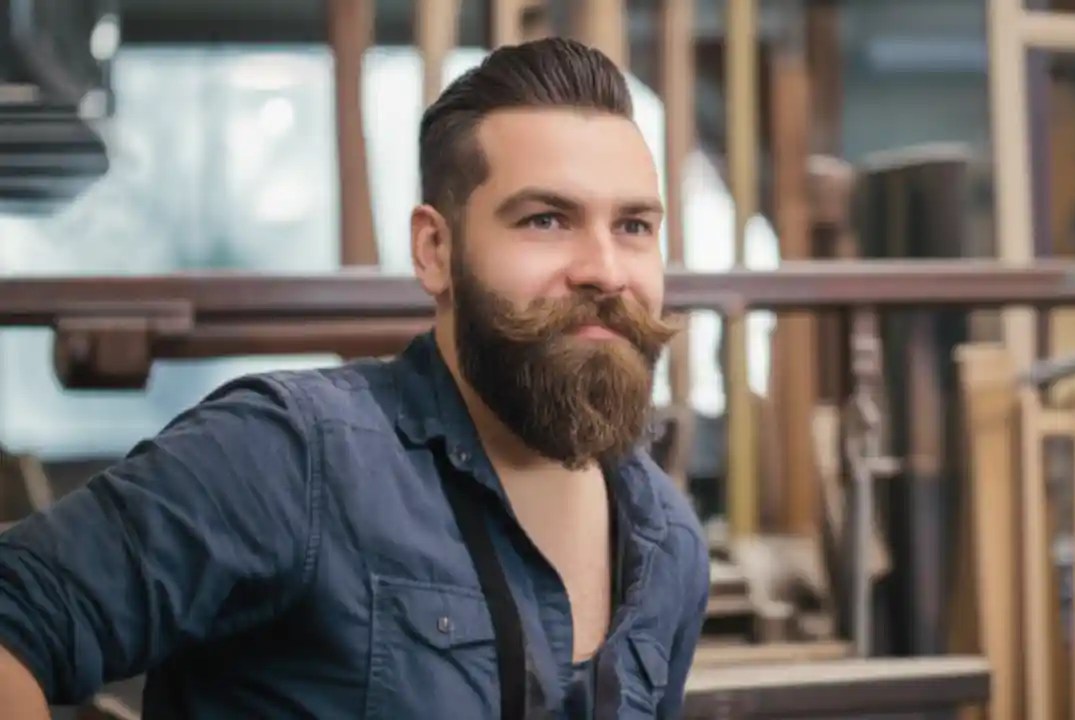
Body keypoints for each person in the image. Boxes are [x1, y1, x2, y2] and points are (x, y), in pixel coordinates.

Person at [0, 37, 710, 719]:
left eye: (634, 226)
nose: (605, 269)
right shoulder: (290, 456)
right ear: (435, 249)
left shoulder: (666, 540)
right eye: (547, 219)